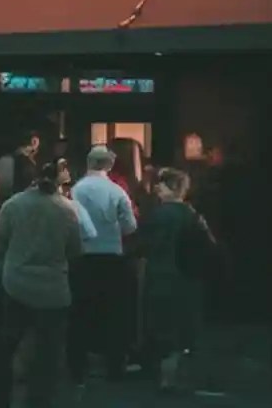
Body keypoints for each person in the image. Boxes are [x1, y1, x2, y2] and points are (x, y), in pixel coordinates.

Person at [0, 161, 83, 408]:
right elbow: (75, 250)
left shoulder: (14, 205)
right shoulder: (67, 210)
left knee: (6, 346)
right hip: (52, 289)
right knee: (48, 354)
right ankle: (37, 402)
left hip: (16, 283)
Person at [139, 167, 215, 392]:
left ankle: (165, 374)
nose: (156, 188)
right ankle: (176, 372)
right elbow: (209, 247)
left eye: (160, 184)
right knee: (183, 327)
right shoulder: (193, 215)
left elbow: (143, 245)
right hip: (187, 278)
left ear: (171, 188)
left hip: (160, 276)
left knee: (161, 325)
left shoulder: (157, 215)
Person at [68, 145, 138, 385]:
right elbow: (129, 226)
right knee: (113, 313)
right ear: (109, 166)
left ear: (88, 163)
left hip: (83, 256)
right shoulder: (117, 191)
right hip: (111, 256)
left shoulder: (77, 190)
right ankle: (114, 366)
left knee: (80, 311)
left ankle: (77, 366)